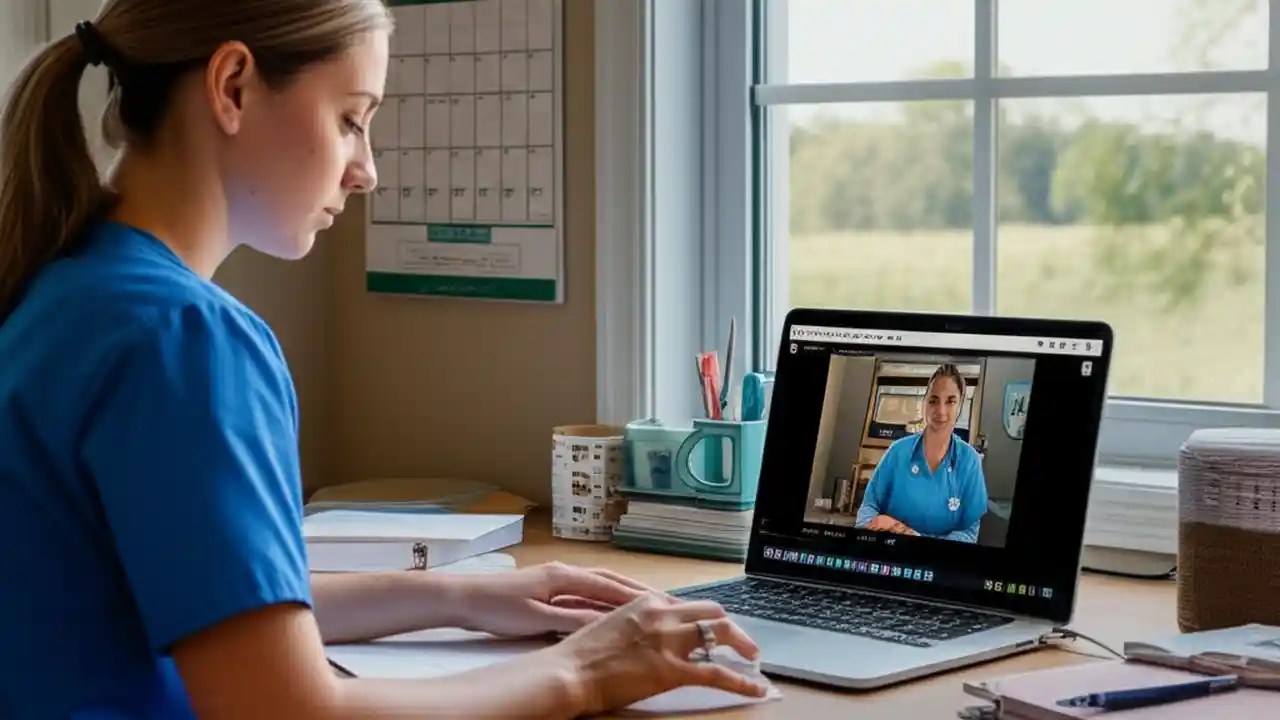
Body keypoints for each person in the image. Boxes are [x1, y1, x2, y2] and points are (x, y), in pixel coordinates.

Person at [0, 2, 766, 717]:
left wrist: (462, 598)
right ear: (232, 86)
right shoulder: (184, 340)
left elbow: (220, 610)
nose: (366, 170)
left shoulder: (63, 289)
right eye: (350, 120)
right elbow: (289, 710)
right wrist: (585, 671)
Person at [854, 364, 988, 543]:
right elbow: (869, 506)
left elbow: (969, 531)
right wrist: (871, 528)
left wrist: (912, 536)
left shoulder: (969, 461)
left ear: (960, 405)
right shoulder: (898, 452)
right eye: (933, 400)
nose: (941, 411)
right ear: (925, 403)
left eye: (950, 401)